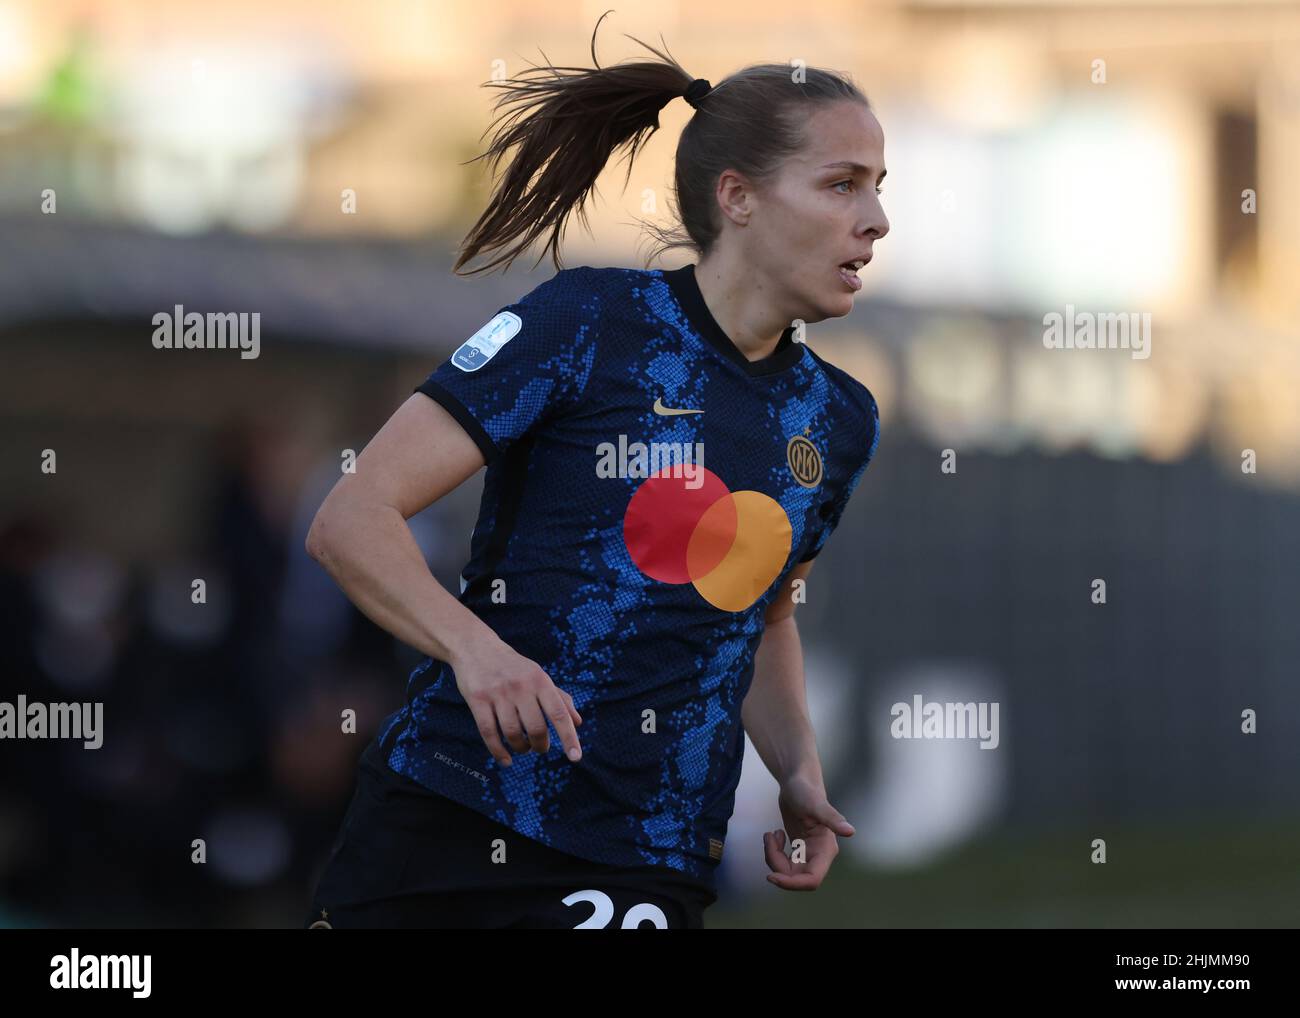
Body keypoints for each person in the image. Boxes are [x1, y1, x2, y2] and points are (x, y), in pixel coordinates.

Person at [302, 20, 888, 929]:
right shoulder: (588, 324)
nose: (876, 220)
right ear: (738, 197)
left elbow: (766, 614)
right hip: (454, 814)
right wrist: (478, 653)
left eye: (878, 188)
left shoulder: (839, 420)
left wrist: (798, 771)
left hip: (648, 859)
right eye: (842, 184)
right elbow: (352, 520)